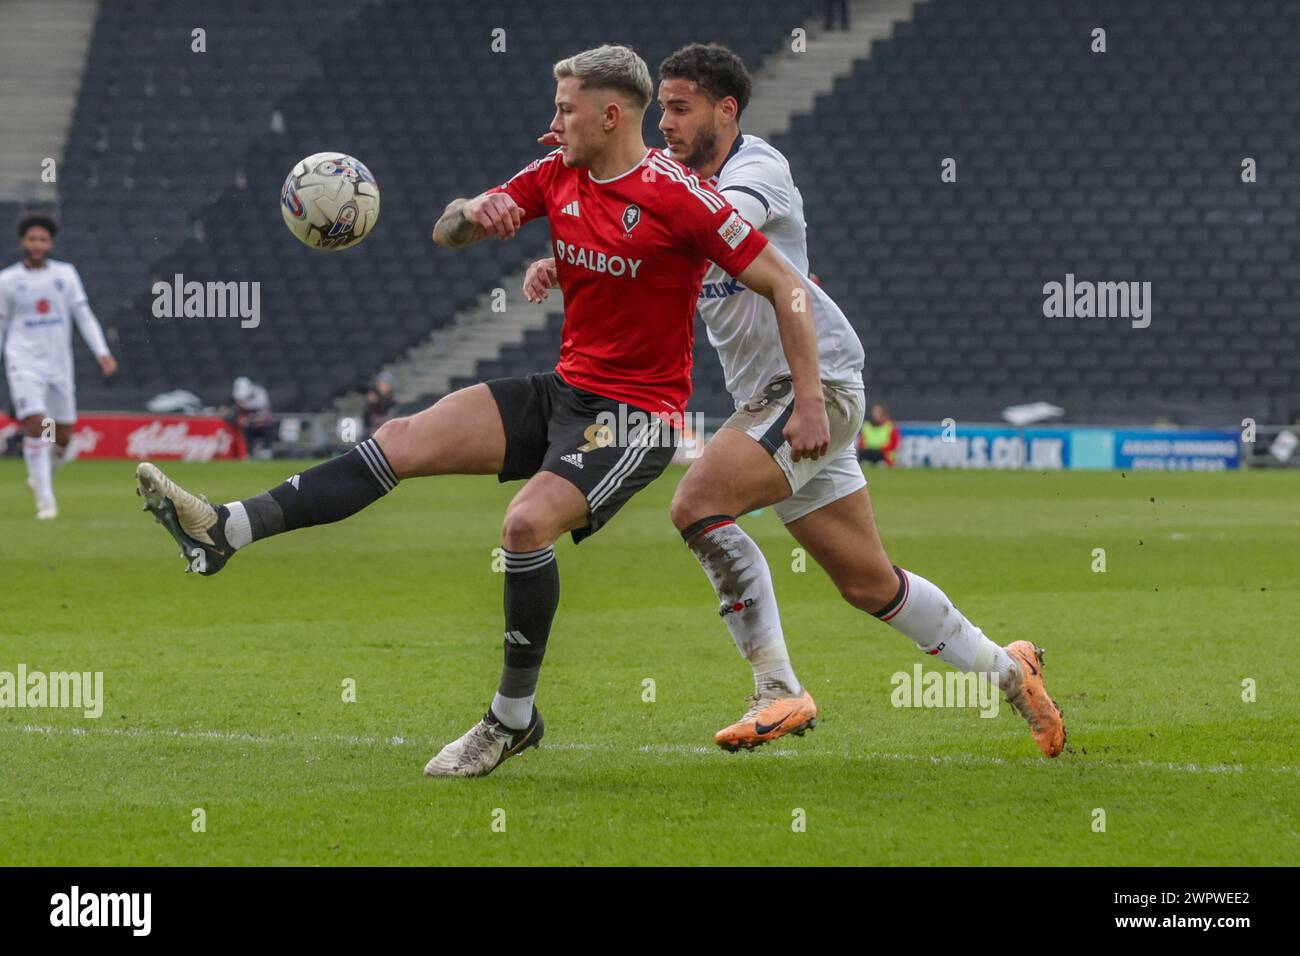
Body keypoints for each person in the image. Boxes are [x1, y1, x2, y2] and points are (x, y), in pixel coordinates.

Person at [134, 43, 830, 777]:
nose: (553, 121)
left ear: (610, 114)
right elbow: (446, 231)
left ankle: (510, 720)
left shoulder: (681, 196)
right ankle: (224, 532)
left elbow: (786, 286)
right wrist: (476, 210)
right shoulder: (555, 172)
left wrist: (808, 400)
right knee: (399, 439)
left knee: (526, 525)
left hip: (636, 415)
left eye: (565, 109)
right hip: (564, 390)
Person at [525, 43, 1064, 757]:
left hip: (813, 388)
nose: (665, 124)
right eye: (661, 110)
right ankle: (1009, 672)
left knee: (694, 505)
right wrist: (579, 237)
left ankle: (778, 689)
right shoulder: (664, 185)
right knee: (869, 584)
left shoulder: (757, 171)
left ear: (727, 109)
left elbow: (703, 228)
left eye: (681, 108)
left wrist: (594, 198)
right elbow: (651, 244)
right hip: (773, 398)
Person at [0, 213, 117, 519]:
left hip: (58, 365)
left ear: (50, 243)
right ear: (23, 242)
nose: (37, 244)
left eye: (42, 239)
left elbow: (83, 315)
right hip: (23, 361)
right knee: (36, 423)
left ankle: (40, 476)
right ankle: (45, 500)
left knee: (61, 434)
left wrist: (101, 351)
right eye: (32, 239)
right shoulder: (8, 280)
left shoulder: (65, 275)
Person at [226, 376, 276, 459]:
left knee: (268, 427)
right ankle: (247, 452)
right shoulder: (237, 398)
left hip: (264, 424)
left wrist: (243, 406)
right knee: (243, 429)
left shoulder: (260, 394)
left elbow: (260, 408)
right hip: (249, 426)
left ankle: (266, 451)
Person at [364, 371, 397, 439]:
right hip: (372, 434)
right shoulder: (375, 399)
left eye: (383, 384)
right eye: (379, 384)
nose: (381, 386)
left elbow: (389, 419)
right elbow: (367, 418)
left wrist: (376, 402)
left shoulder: (392, 401)